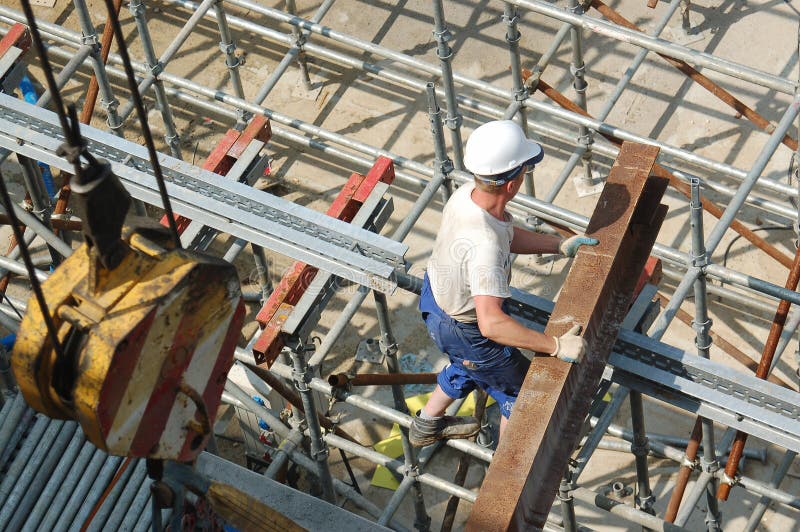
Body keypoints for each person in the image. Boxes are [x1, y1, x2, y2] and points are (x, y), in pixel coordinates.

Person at [409, 120, 598, 448]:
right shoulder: (485, 246)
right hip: (468, 328)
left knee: (470, 363)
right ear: (512, 182)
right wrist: (554, 346)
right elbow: (492, 325)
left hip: (437, 299)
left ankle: (427, 424)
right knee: (522, 390)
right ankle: (509, 464)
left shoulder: (467, 196)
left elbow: (504, 234)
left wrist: (556, 245)